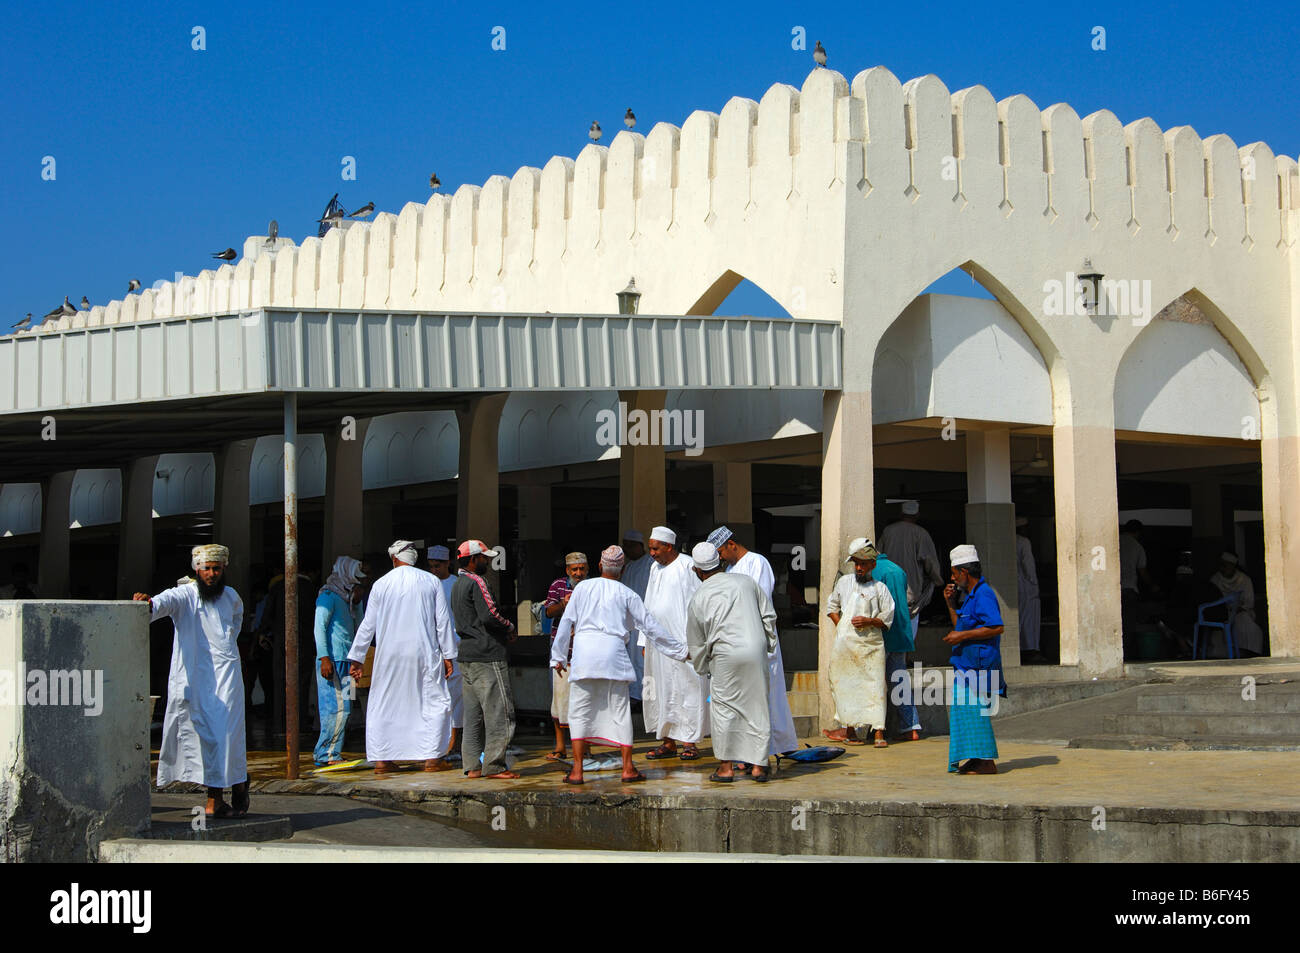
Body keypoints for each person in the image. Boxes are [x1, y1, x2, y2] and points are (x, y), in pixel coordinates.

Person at [551, 545, 685, 785]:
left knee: (580, 712)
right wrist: (680, 651)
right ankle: (627, 768)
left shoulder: (582, 589)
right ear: (622, 570)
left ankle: (578, 771)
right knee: (620, 712)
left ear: (600, 566)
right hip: (613, 656)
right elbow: (650, 626)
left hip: (584, 657)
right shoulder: (627, 594)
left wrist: (557, 657)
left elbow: (566, 622)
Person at [133, 544, 249, 818]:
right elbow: (162, 604)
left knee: (225, 737)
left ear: (224, 569)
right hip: (194, 680)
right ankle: (220, 795)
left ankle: (229, 788)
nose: (211, 574)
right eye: (206, 569)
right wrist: (148, 603)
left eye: (216, 569)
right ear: (197, 569)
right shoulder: (185, 593)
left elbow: (234, 630)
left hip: (226, 678)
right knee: (204, 738)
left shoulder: (232, 597)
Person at [346, 540, 457, 777]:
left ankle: (383, 761)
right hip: (424, 654)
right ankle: (432, 758)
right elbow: (443, 621)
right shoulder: (431, 581)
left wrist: (357, 657)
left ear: (395, 559)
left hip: (389, 657)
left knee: (385, 703)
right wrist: (449, 654)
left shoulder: (380, 584)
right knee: (432, 702)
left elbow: (368, 624)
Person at [685, 541, 778, 782]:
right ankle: (758, 766)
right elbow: (769, 616)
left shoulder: (699, 596)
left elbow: (697, 640)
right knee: (757, 707)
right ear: (719, 561)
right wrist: (767, 645)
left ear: (697, 570)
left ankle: (726, 768)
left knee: (724, 709)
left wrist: (703, 665)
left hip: (725, 655)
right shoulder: (746, 582)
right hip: (754, 650)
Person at [708, 526, 799, 757]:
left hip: (759, 637)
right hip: (738, 640)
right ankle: (751, 750)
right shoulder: (729, 569)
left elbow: (759, 602)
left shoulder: (756, 562)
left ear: (731, 544)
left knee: (767, 695)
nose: (719, 557)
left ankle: (773, 747)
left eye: (720, 552)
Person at [450, 539, 520, 780]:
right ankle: (494, 765)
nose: (488, 561)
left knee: (472, 716)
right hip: (487, 655)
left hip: (467, 655)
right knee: (499, 712)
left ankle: (472, 766)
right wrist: (510, 626)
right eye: (484, 558)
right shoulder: (477, 582)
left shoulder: (457, 584)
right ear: (473, 560)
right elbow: (490, 615)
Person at [641, 526, 708, 761]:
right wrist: (643, 639)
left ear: (669, 546)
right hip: (657, 643)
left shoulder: (688, 566)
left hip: (682, 642)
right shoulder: (654, 569)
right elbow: (648, 604)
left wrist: (696, 640)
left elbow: (699, 602)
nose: (652, 553)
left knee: (687, 690)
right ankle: (667, 741)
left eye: (655, 548)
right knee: (660, 691)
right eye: (650, 548)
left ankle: (689, 742)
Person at [824, 538, 896, 748]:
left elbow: (888, 617)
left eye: (863, 564)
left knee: (875, 686)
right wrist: (842, 629)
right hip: (845, 647)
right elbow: (832, 608)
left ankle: (878, 733)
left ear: (872, 565)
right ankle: (850, 731)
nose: (859, 568)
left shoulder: (880, 588)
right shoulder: (844, 582)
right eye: (856, 563)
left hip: (872, 646)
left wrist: (869, 621)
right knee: (846, 686)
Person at [943, 544, 1006, 775]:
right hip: (966, 663)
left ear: (963, 572)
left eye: (954, 572)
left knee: (975, 711)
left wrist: (963, 635)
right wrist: (950, 604)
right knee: (964, 712)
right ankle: (975, 757)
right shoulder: (970, 597)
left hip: (979, 665)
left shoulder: (984, 593)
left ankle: (986, 760)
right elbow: (959, 625)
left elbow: (997, 626)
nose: (952, 577)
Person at [312, 555, 366, 766]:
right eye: (355, 581)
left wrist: (357, 604)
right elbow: (319, 628)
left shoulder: (348, 600)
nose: (358, 585)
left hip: (348, 662)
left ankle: (334, 751)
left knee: (347, 708)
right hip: (332, 661)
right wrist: (324, 657)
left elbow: (360, 626)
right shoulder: (327, 597)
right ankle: (325, 753)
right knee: (334, 707)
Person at [872, 542, 921, 740]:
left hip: (883, 634)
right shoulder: (898, 570)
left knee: (874, 681)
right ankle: (911, 726)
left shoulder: (873, 572)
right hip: (901, 632)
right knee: (899, 680)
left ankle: (875, 729)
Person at [543, 552, 588, 760]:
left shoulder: (592, 586)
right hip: (562, 652)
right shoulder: (557, 585)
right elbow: (549, 612)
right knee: (559, 699)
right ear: (567, 570)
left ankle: (584, 748)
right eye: (574, 569)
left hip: (585, 651)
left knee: (584, 699)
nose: (578, 573)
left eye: (582, 569)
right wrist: (564, 604)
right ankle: (560, 746)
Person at [878, 501, 945, 639]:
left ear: (901, 514)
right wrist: (937, 580)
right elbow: (930, 561)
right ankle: (904, 660)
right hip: (910, 592)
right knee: (907, 635)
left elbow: (877, 556)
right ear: (917, 515)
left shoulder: (888, 531)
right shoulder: (921, 533)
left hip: (887, 588)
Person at [426, 545, 464, 756]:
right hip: (431, 650)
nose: (434, 570)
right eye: (431, 566)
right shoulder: (426, 584)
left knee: (456, 697)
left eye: (438, 565)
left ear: (448, 563)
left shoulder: (456, 585)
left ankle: (454, 743)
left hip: (455, 649)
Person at [1208, 552, 1265, 657]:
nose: (1223, 568)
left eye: (1226, 565)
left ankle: (1250, 652)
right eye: (1222, 564)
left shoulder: (1245, 580)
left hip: (1242, 612)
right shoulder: (1215, 580)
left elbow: (1249, 602)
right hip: (1223, 615)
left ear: (1233, 566)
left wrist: (1237, 609)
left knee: (1246, 624)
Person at [620, 530, 653, 701]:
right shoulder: (629, 567)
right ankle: (634, 697)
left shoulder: (651, 565)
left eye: (629, 547)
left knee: (644, 663)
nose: (626, 550)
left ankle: (647, 699)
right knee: (631, 661)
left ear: (639, 546)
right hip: (630, 625)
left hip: (645, 624)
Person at [1016, 518, 1045, 663]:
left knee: (1020, 618)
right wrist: (1034, 583)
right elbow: (1028, 566)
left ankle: (1022, 649)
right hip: (1026, 585)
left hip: (1014, 585)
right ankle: (1030, 650)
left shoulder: (1009, 540)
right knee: (1029, 619)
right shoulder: (1023, 541)